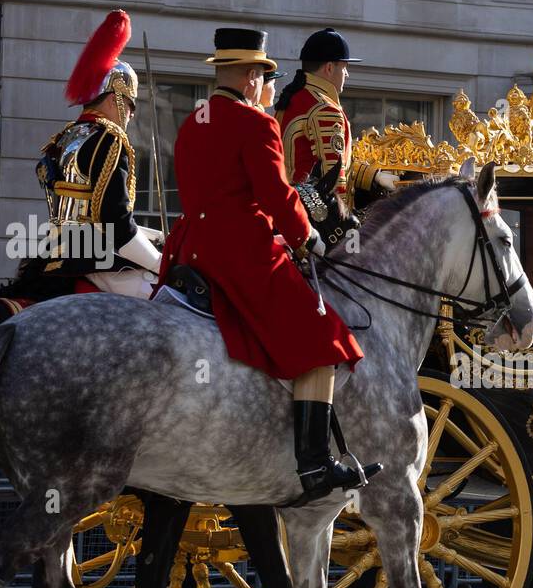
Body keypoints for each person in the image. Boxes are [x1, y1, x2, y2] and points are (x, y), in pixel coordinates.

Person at [161, 27, 380, 502]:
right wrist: (307, 236)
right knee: (325, 343)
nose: (266, 83)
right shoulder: (253, 123)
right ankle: (315, 464)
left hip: (190, 249)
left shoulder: (192, 119)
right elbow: (277, 197)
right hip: (240, 251)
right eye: (262, 73)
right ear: (247, 76)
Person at [26, 10, 162, 301]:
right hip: (98, 262)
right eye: (130, 103)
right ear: (115, 97)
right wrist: (160, 263)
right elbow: (115, 223)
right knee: (174, 299)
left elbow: (87, 215)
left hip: (56, 255)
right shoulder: (108, 138)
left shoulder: (64, 138)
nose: (132, 113)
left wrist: (158, 237)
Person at [273, 28, 397, 206]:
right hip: (314, 220)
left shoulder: (293, 99)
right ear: (329, 68)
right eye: (345, 68)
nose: (347, 74)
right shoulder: (325, 109)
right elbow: (334, 181)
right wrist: (344, 226)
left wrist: (373, 176)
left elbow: (332, 162)